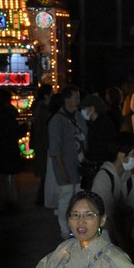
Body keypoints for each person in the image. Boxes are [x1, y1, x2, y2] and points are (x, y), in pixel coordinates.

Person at [91, 132, 134, 252]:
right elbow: (109, 215)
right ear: (121, 155)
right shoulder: (103, 178)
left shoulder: (131, 180)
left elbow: (132, 208)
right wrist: (124, 245)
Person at [48, 85, 87, 239]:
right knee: (65, 197)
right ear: (67, 99)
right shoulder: (57, 121)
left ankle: (75, 227)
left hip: (79, 165)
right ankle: (65, 229)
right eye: (76, 97)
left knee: (77, 197)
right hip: (67, 164)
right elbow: (55, 148)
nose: (78, 100)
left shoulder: (78, 116)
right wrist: (62, 169)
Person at [81, 93, 118, 190]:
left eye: (85, 108)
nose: (82, 111)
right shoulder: (100, 123)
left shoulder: (100, 125)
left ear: (92, 109)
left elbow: (98, 148)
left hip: (98, 167)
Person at [30, 84, 53, 205]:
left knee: (45, 174)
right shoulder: (43, 110)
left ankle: (41, 198)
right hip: (43, 144)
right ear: (46, 95)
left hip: (41, 143)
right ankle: (41, 199)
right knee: (46, 173)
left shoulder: (39, 108)